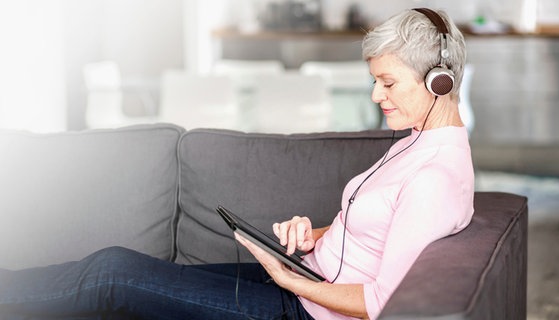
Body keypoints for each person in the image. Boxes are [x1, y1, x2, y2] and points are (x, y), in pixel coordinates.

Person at [0, 8, 473, 320]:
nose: (376, 96)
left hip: (303, 309)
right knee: (132, 270)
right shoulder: (419, 141)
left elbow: (380, 302)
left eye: (387, 83)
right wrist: (316, 236)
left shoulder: (434, 177)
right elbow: (380, 225)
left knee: (112, 274)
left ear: (438, 81)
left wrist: (290, 280)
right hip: (305, 281)